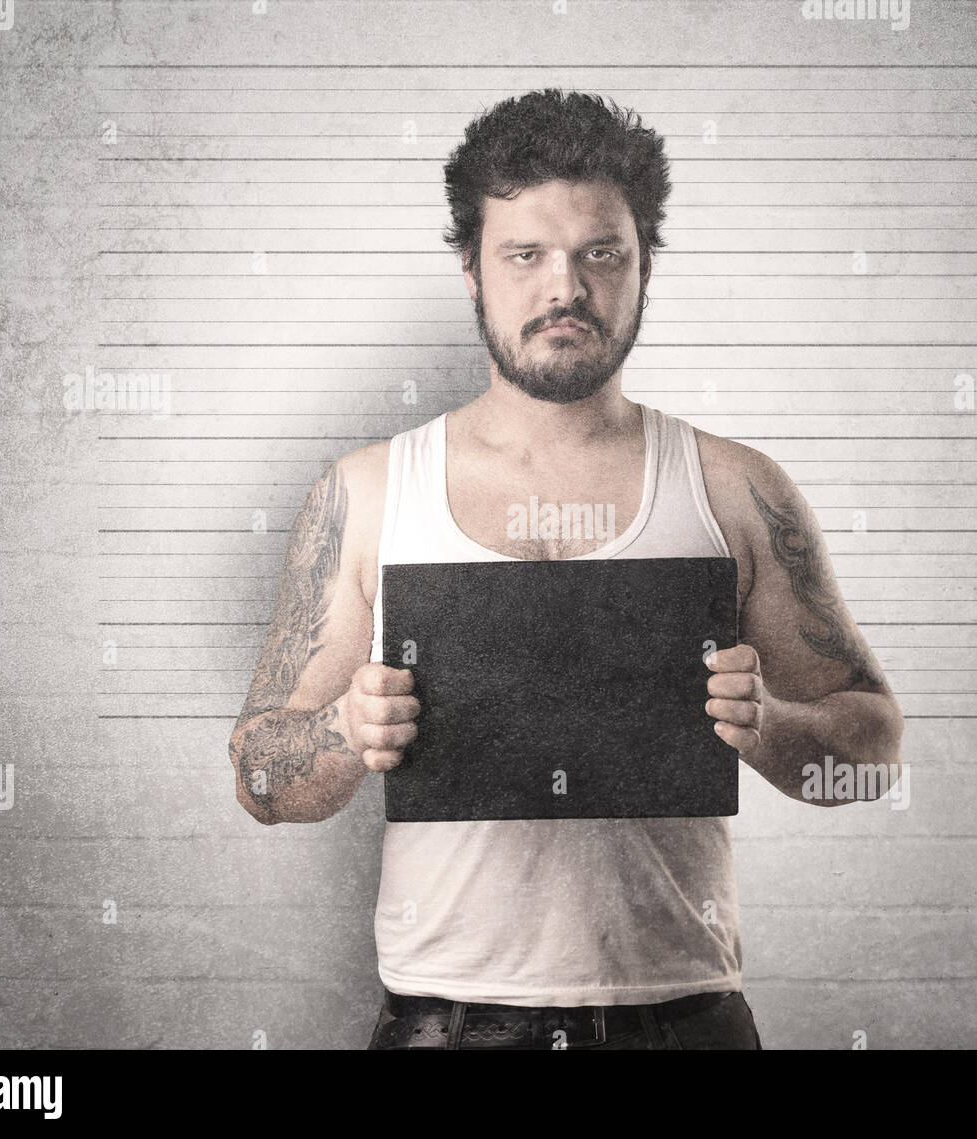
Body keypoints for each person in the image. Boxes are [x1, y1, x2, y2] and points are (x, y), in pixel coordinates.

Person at [227, 89, 904, 1050]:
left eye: (601, 253)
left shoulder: (737, 490)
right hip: (444, 1022)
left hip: (685, 1020)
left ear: (643, 265)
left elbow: (874, 753)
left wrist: (775, 728)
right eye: (525, 255)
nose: (566, 288)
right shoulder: (369, 494)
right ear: (470, 268)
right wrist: (343, 731)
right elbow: (258, 773)